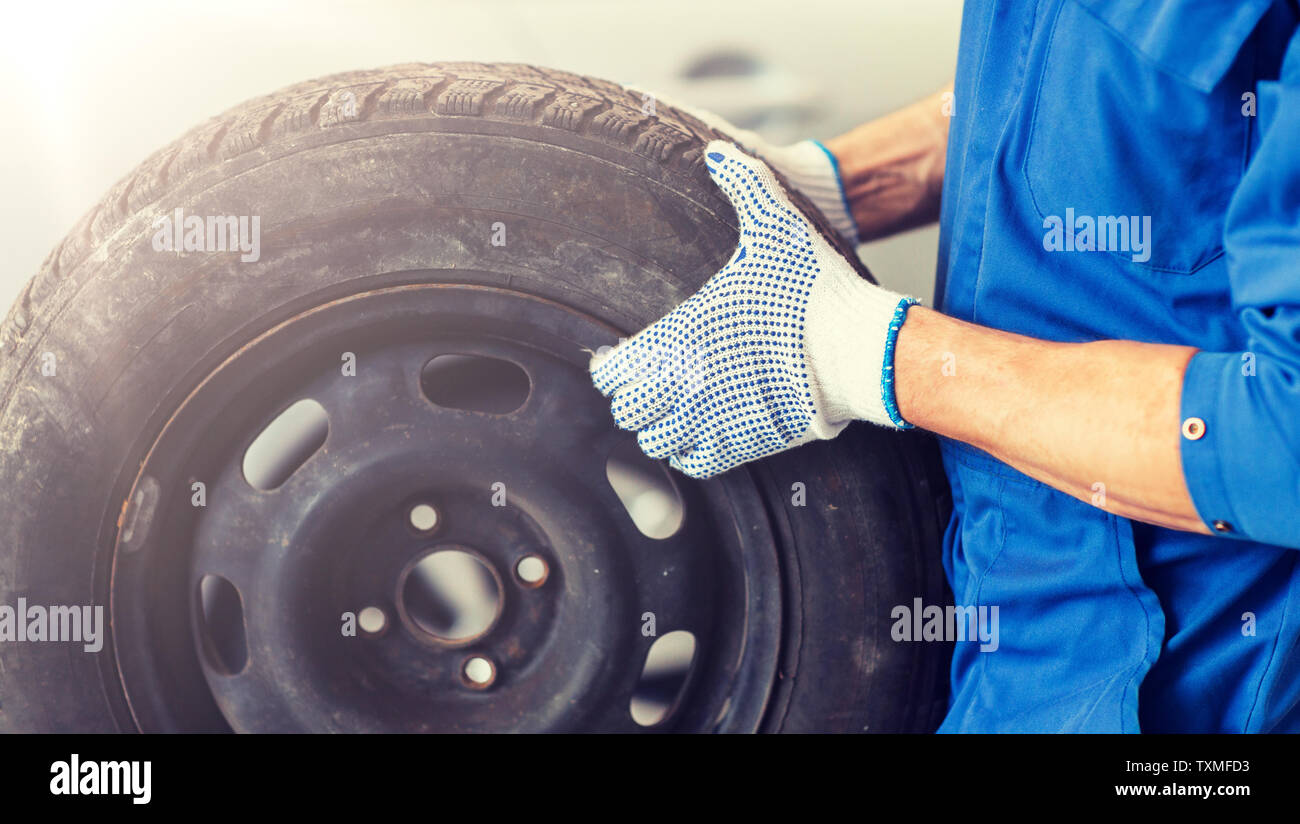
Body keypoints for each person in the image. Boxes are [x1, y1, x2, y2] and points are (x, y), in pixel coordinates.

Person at [589, 0, 1300, 733]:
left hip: (1182, 691)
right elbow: (1080, 76)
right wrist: (830, 186)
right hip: (1011, 644)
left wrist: (878, 355)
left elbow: (1285, 440)